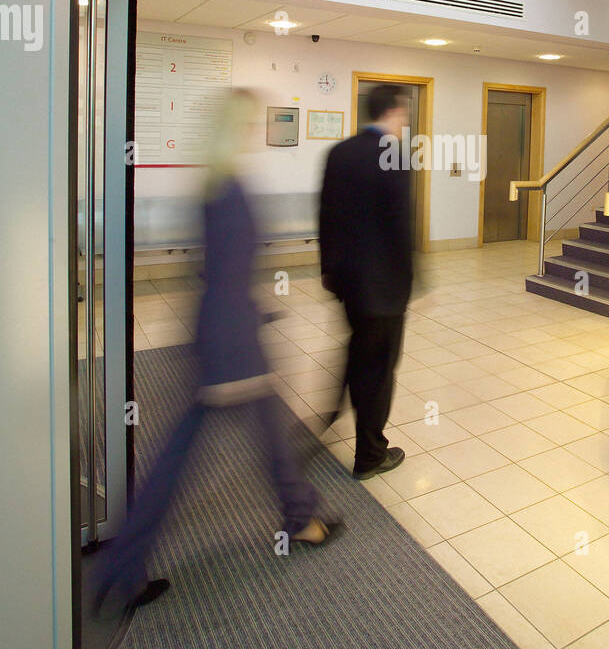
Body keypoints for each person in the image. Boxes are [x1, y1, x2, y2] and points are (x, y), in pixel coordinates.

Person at [95, 90, 338, 614]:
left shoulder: (212, 185)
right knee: (218, 452)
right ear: (236, 129)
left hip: (220, 332)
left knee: (187, 456)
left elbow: (211, 271)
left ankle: (122, 569)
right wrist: (248, 328)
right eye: (249, 123)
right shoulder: (229, 192)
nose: (255, 131)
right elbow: (226, 274)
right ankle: (300, 520)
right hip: (233, 344)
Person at [318, 84, 412, 480]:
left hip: (348, 282)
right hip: (384, 289)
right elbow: (400, 228)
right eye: (403, 114)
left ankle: (330, 413)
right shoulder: (395, 156)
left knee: (360, 352)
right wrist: (410, 286)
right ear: (392, 112)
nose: (405, 122)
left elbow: (324, 216)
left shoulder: (339, 152)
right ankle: (371, 454)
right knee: (379, 370)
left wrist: (330, 272)